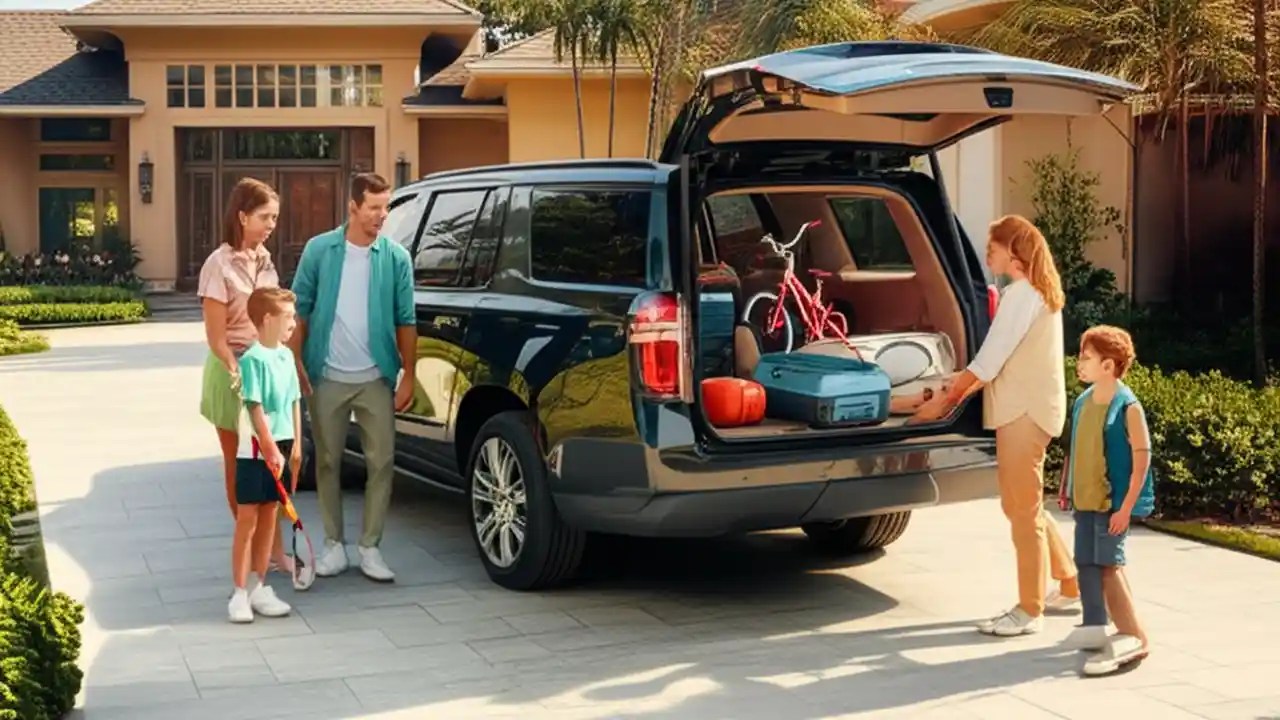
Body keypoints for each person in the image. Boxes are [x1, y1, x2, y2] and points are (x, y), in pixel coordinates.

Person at [910, 215, 1081, 636]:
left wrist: (943, 402)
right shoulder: (1029, 293)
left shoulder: (1022, 296)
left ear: (1015, 252)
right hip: (1028, 410)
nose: (987, 252)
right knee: (1025, 506)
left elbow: (988, 362)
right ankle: (1072, 583)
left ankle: (1029, 609)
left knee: (1021, 511)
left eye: (993, 246)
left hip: (1024, 413)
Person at [289, 172, 417, 582]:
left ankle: (370, 547)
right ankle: (332, 546)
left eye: (387, 207)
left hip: (376, 376)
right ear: (353, 207)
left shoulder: (396, 258)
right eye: (375, 208)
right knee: (326, 461)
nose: (383, 215)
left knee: (382, 462)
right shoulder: (319, 251)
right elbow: (299, 311)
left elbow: (406, 320)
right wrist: (296, 367)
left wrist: (408, 375)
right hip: (326, 374)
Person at [198, 177, 294, 576]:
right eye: (265, 216)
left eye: (275, 217)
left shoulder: (267, 262)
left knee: (273, 466)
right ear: (242, 216)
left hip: (266, 370)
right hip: (231, 373)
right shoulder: (217, 265)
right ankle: (250, 550)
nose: (272, 223)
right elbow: (217, 339)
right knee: (241, 467)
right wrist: (241, 373)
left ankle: (274, 554)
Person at [1058, 325, 1153, 675]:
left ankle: (1133, 635)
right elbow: (1076, 449)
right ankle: (1096, 626)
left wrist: (1126, 507)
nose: (1078, 364)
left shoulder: (1128, 407)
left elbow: (1142, 459)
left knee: (1108, 568)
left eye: (1086, 358)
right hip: (1085, 502)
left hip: (1110, 504)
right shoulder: (1084, 402)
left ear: (1110, 365)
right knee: (1087, 564)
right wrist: (1066, 488)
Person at [228, 287, 302, 623]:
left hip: (283, 446)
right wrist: (270, 447)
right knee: (248, 519)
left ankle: (260, 585)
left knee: (271, 515)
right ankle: (239, 592)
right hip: (255, 450)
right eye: (288, 317)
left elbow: (294, 401)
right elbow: (255, 406)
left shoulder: (286, 356)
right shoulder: (252, 359)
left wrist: (296, 446)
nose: (294, 323)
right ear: (268, 319)